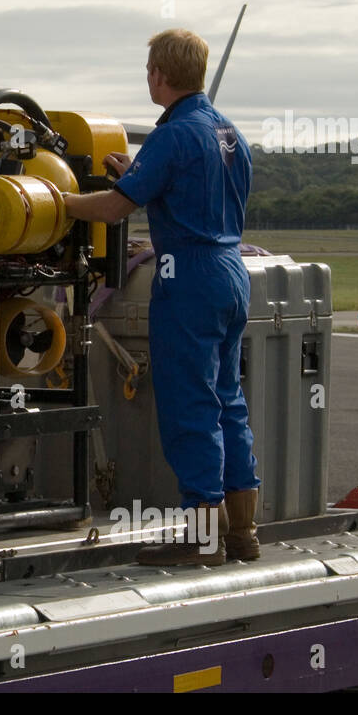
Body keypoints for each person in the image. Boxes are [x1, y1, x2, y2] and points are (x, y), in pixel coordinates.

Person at [62, 28, 260, 566]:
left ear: (160, 75)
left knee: (188, 405)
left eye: (148, 69)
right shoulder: (229, 134)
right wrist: (141, 178)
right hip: (231, 270)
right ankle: (241, 530)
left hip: (189, 277)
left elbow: (111, 211)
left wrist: (61, 202)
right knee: (227, 400)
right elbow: (197, 193)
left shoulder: (171, 136)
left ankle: (202, 534)